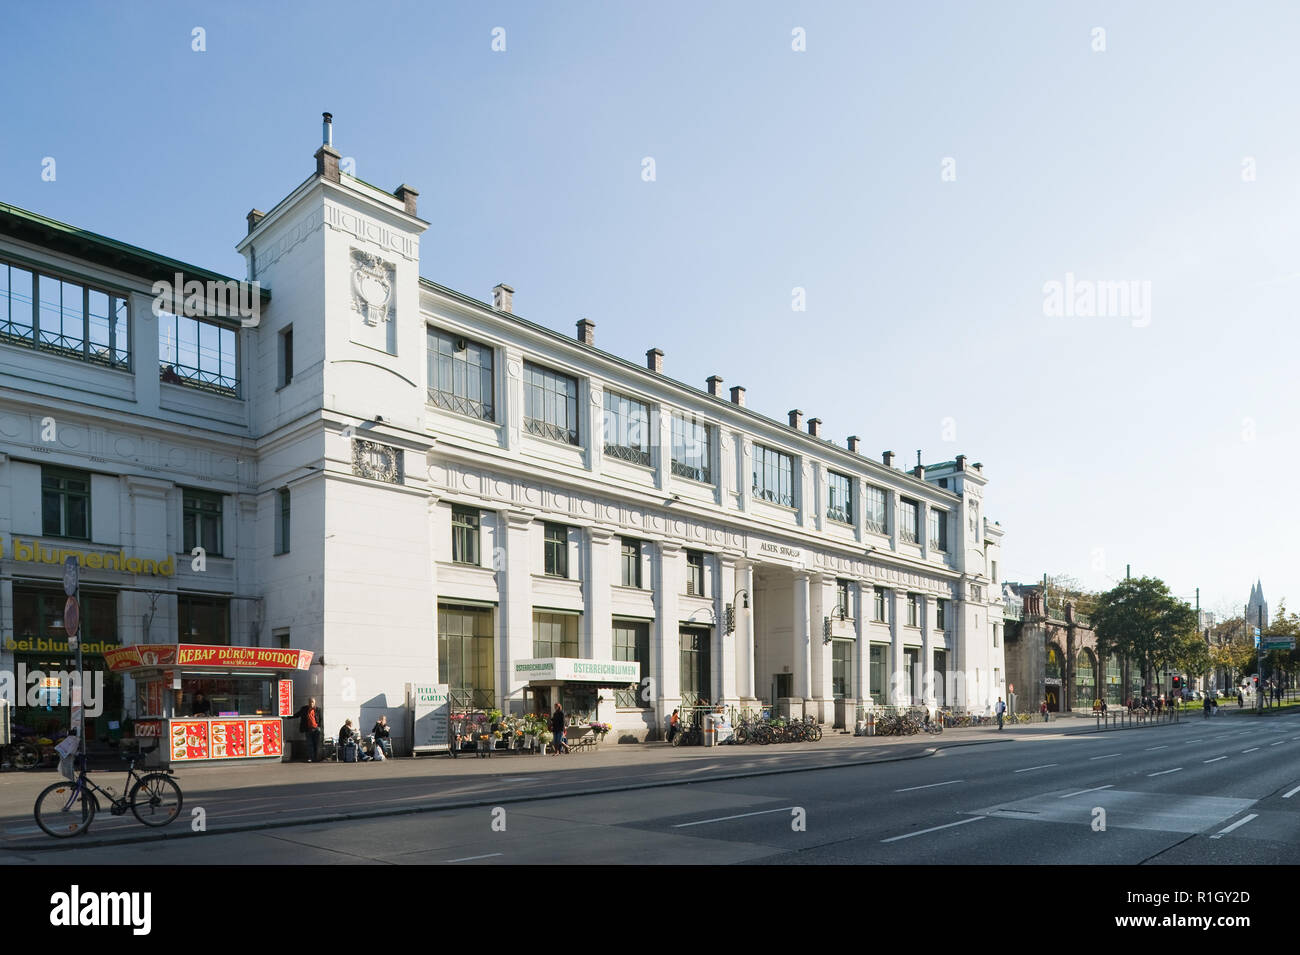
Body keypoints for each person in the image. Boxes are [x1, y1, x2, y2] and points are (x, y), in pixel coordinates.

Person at [291, 697, 323, 762]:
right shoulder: (304, 709)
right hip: (308, 729)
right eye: (310, 702)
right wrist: (288, 716)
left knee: (316, 744)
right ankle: (310, 757)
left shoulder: (318, 709)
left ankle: (316, 758)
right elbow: (297, 714)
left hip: (316, 729)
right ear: (308, 703)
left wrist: (319, 727)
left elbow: (321, 719)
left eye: (312, 702)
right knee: (309, 744)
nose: (311, 703)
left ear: (315, 703)